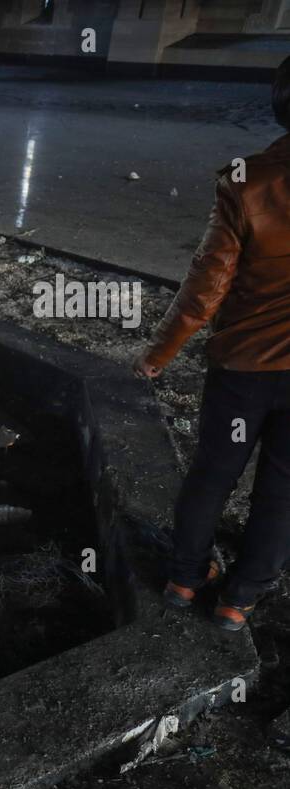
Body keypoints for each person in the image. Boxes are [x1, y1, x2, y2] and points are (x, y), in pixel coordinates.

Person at [135, 54, 290, 631]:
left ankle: (183, 578)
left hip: (244, 368)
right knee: (283, 490)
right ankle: (238, 601)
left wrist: (158, 354)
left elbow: (206, 289)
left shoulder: (248, 182)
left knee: (214, 471)